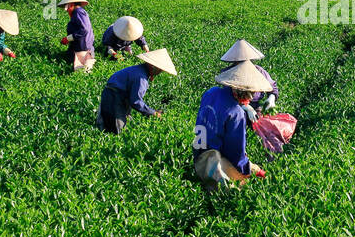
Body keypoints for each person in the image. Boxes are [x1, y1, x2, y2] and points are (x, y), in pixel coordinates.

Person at [193, 60, 268, 192]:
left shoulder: (211, 92)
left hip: (198, 150)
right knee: (237, 191)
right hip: (213, 161)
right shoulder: (236, 113)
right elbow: (235, 153)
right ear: (246, 92)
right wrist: (248, 170)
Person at [97, 48, 177, 133]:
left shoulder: (138, 70)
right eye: (160, 70)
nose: (160, 72)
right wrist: (152, 113)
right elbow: (135, 101)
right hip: (114, 98)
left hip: (113, 95)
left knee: (113, 126)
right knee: (117, 130)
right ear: (153, 67)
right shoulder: (141, 77)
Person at [222, 39, 278, 122]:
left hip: (256, 107)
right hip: (234, 108)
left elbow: (272, 87)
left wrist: (271, 98)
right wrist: (246, 107)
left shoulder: (259, 71)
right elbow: (228, 97)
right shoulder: (228, 73)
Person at [58, 0, 94, 69]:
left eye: (67, 8)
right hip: (80, 45)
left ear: (71, 5)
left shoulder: (78, 12)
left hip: (82, 46)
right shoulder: (78, 12)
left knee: (81, 68)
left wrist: (68, 38)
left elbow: (84, 30)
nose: (67, 10)